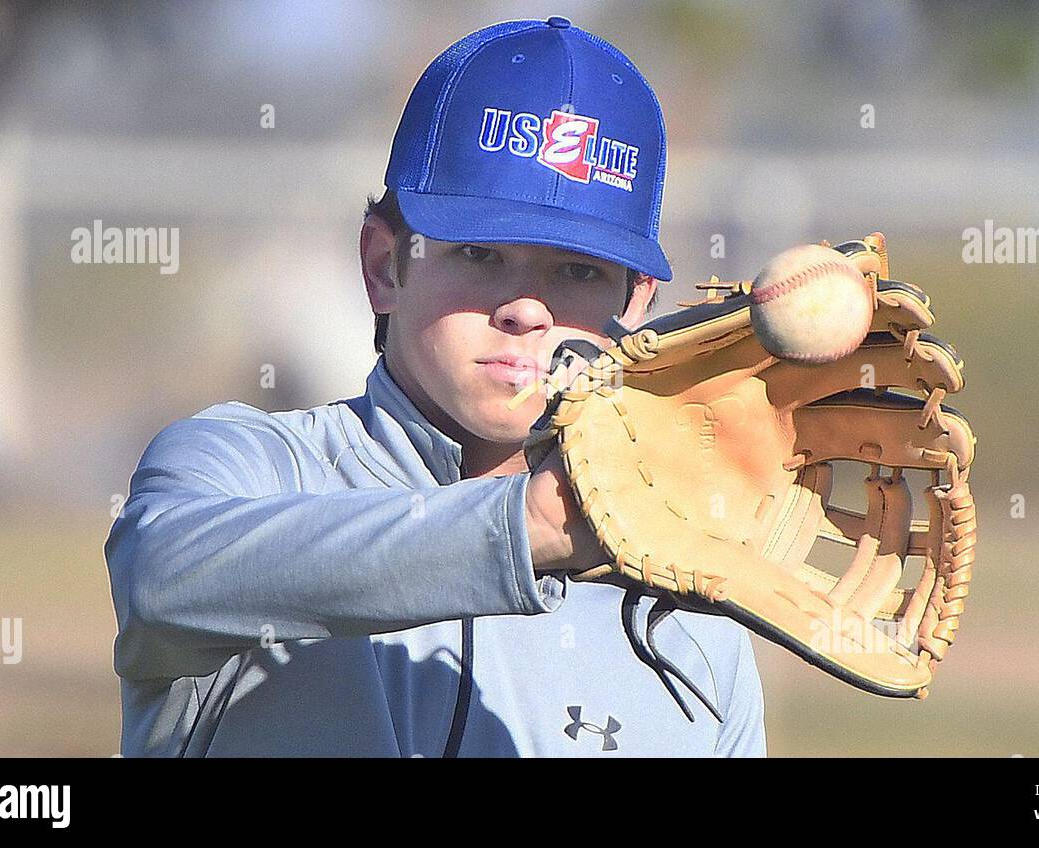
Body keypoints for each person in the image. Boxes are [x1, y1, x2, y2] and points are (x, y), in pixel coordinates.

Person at [106, 15, 765, 757]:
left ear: (635, 306)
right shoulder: (250, 465)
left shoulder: (690, 621)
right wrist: (530, 530)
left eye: (578, 271)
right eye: (481, 253)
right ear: (386, 266)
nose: (526, 307)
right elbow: (162, 580)